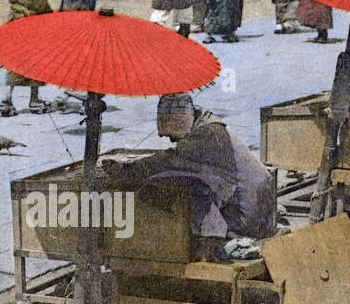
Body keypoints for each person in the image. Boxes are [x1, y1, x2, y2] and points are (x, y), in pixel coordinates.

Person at [105, 94, 276, 260]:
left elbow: (169, 160)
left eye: (171, 136)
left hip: (249, 216)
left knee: (180, 194)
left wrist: (126, 170)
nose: (171, 141)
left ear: (179, 122)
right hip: (261, 207)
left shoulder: (207, 135)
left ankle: (196, 248)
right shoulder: (208, 125)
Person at [0, 0, 52, 116]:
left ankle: (7, 97)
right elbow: (39, 2)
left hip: (15, 20)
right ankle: (34, 99)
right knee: (37, 63)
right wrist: (50, 16)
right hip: (32, 23)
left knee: (15, 62)